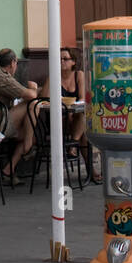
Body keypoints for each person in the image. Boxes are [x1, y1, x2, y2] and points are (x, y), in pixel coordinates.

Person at [43, 46, 100, 183]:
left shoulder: (79, 75)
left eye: (65, 59)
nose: (61, 61)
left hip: (74, 119)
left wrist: (72, 106)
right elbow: (44, 98)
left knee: (82, 120)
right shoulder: (54, 76)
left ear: (73, 61)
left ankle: (74, 145)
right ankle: (90, 171)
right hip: (59, 122)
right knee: (83, 133)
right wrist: (51, 79)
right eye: (59, 59)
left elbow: (82, 98)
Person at [0, 48, 39, 181]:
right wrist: (34, 87)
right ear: (13, 63)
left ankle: (8, 170)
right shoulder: (1, 76)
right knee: (34, 104)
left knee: (27, 134)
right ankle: (28, 146)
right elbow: (30, 95)